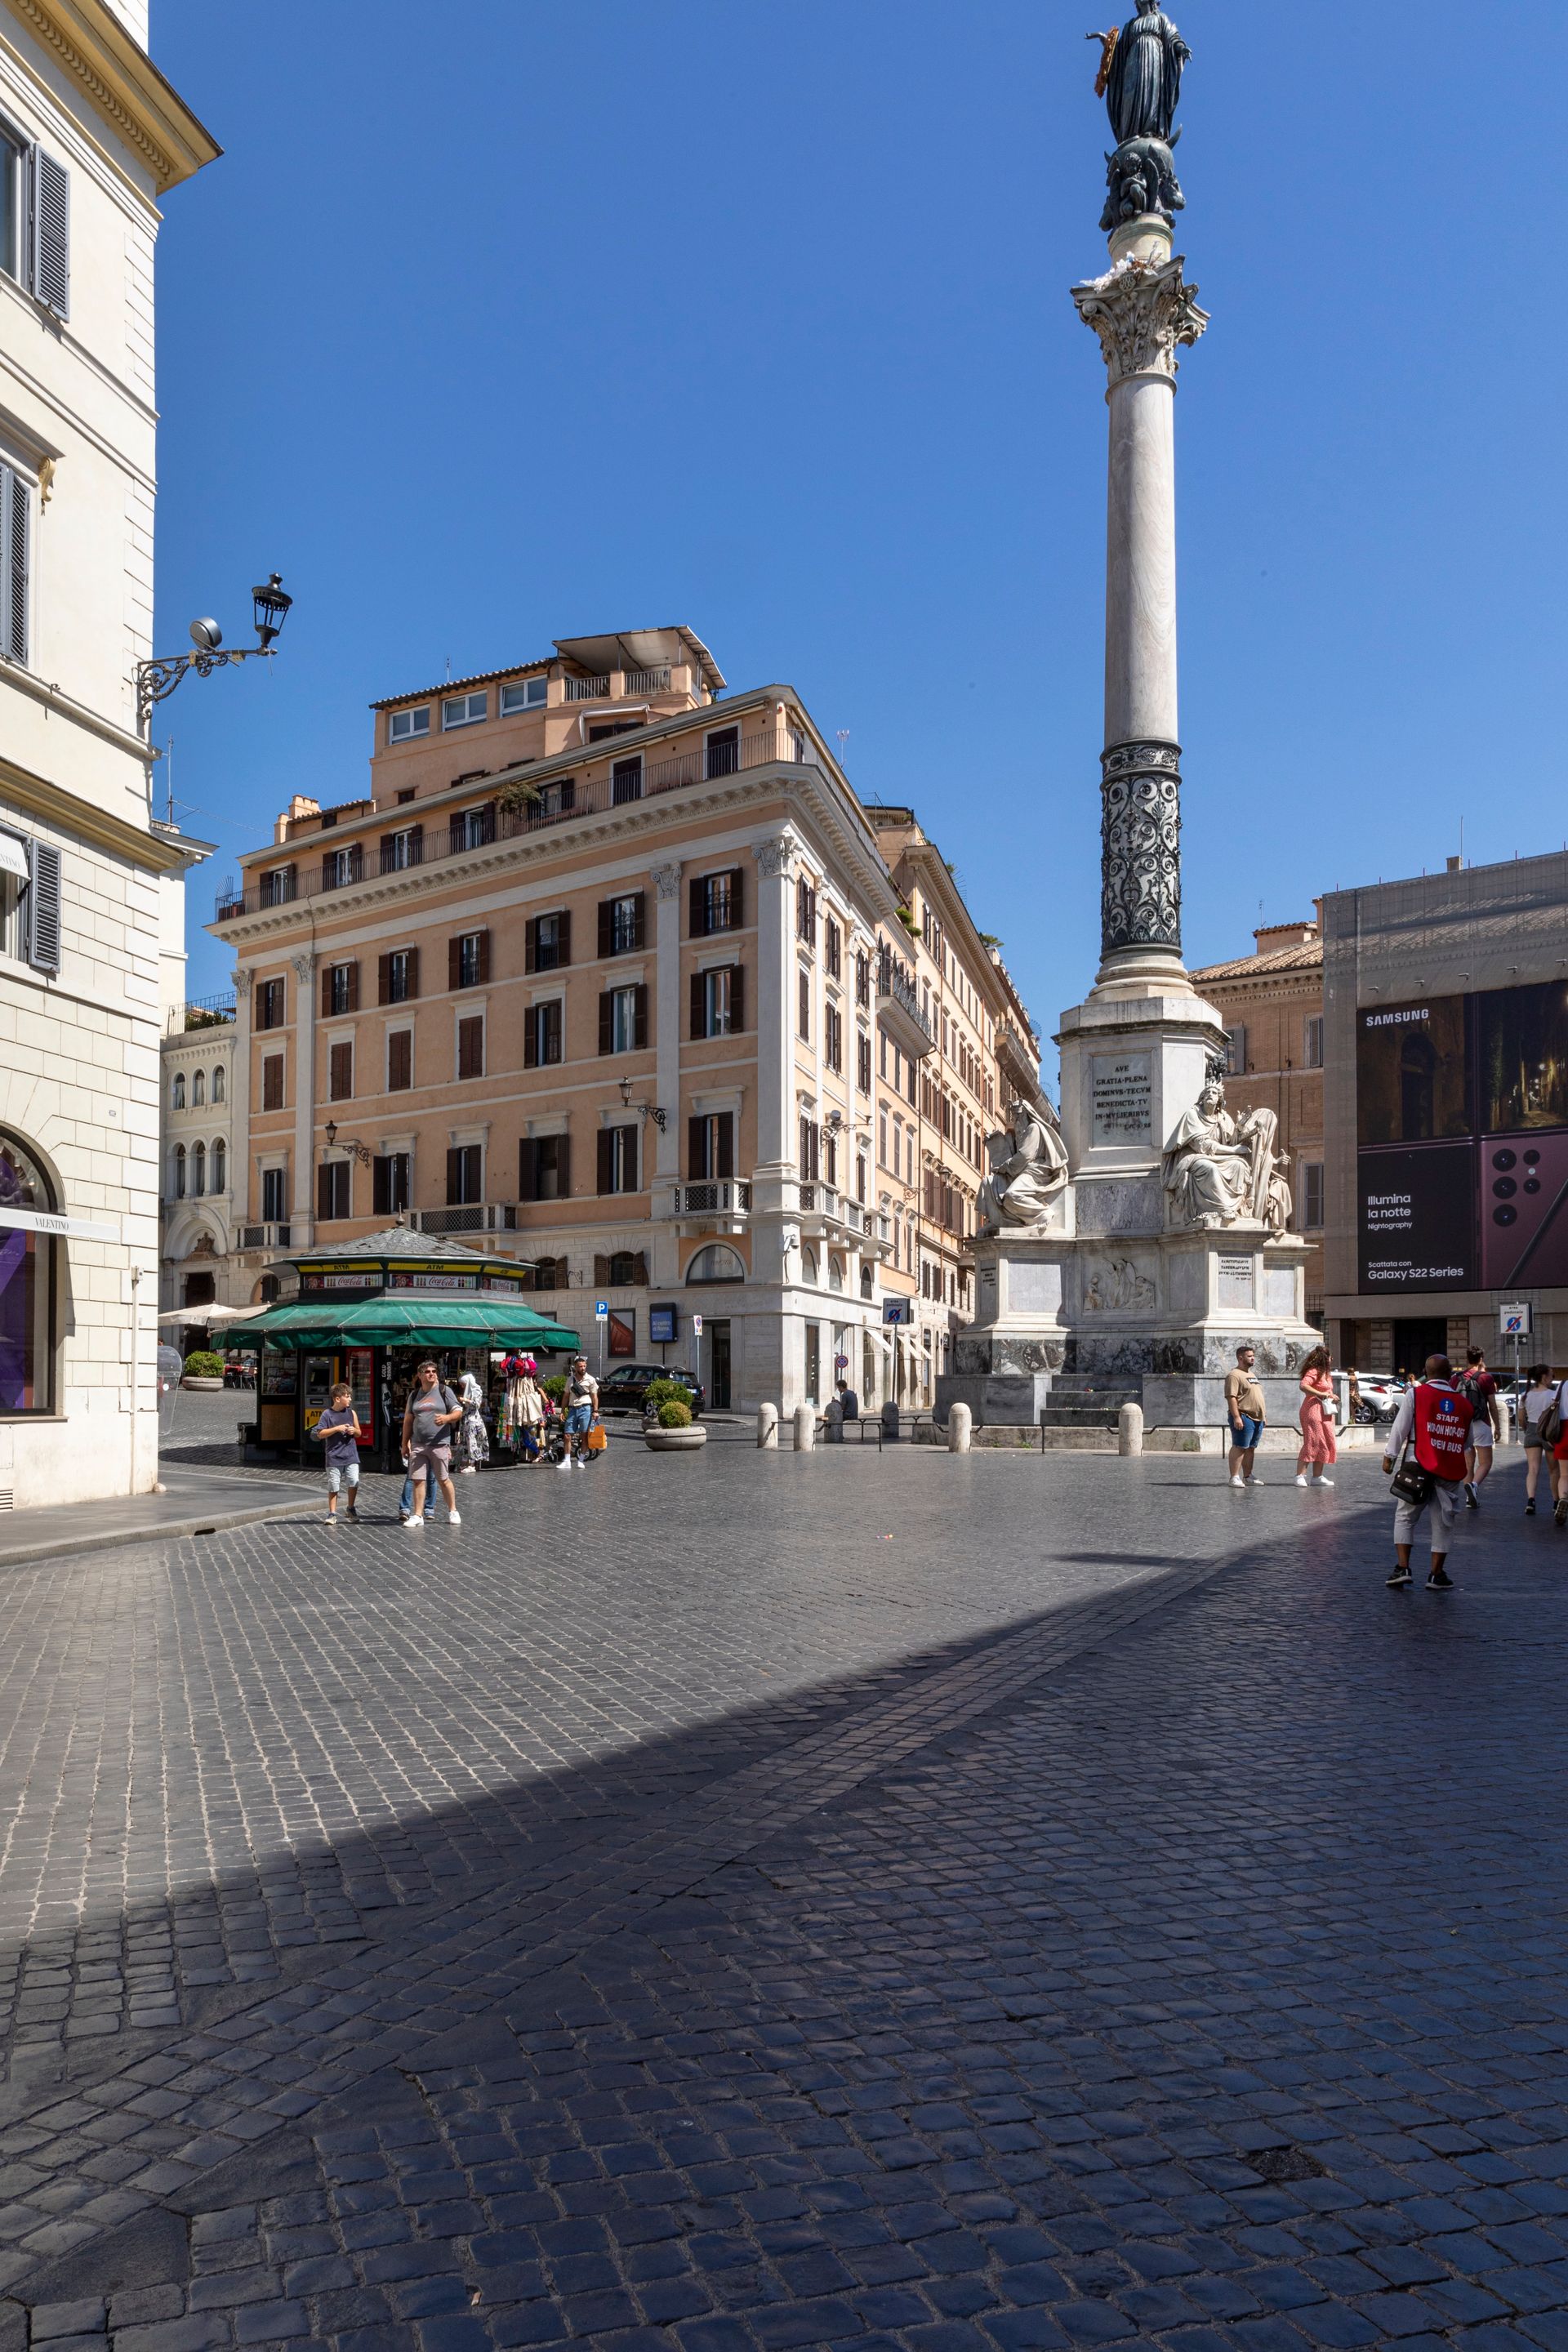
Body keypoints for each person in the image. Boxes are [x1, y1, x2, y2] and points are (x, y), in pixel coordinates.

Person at [1383, 1353, 1473, 1591]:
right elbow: (1466, 1442)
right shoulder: (1464, 1404)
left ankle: (1403, 1568)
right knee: (1444, 1520)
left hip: (1417, 1462)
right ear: (1450, 1375)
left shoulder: (1416, 1394)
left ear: (1426, 1372)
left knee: (1405, 1516)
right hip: (1449, 1466)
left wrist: (1389, 1457)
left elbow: (1399, 1428)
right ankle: (1436, 1574)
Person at [401, 1358, 463, 1527]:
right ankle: (418, 1515)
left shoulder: (444, 1391)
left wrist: (447, 1418)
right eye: (427, 1372)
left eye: (434, 1372)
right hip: (418, 1443)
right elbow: (408, 1420)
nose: (431, 1374)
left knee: (443, 1479)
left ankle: (453, 1511)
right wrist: (404, 1443)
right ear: (420, 1375)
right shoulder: (414, 1395)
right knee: (418, 1480)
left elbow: (458, 1411)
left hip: (439, 1443)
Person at [310, 1381, 362, 1526]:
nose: (350, 1399)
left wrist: (354, 1431)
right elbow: (320, 1434)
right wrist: (336, 1428)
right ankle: (332, 1513)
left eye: (350, 1396)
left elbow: (359, 1432)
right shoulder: (327, 1414)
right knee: (334, 1485)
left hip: (351, 1455)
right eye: (347, 1396)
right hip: (334, 1456)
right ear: (337, 1398)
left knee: (353, 1481)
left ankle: (351, 1508)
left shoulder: (352, 1413)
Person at [1458, 1346, 1501, 1509]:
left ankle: (1470, 1499)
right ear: (1481, 1359)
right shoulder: (1486, 1378)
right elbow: (1493, 1406)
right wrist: (1497, 1427)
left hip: (1463, 1426)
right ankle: (1474, 1486)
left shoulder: (1457, 1378)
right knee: (1486, 1462)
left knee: (1468, 1464)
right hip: (1481, 1423)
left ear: (1467, 1358)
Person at [1519, 1362, 1560, 1517]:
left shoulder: (1526, 1396)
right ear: (1544, 1377)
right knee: (1553, 1470)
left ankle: (1531, 1500)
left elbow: (1521, 1418)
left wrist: (1527, 1430)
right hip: (1549, 1433)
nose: (1552, 1378)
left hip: (1532, 1430)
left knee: (1532, 1470)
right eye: (1551, 1376)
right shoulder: (1553, 1395)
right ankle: (1556, 1502)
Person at [1223, 1343, 1267, 1488]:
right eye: (1249, 1356)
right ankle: (1234, 1477)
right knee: (1240, 1446)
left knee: (1251, 1448)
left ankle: (1248, 1476)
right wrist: (1236, 1417)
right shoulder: (1234, 1375)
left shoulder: (1251, 1374)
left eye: (1253, 1356)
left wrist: (1263, 1417)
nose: (1253, 1358)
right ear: (1240, 1358)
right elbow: (1231, 1397)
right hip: (1244, 1416)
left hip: (1257, 1418)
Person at [1295, 1345, 1337, 1489]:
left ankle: (1317, 1476)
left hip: (1325, 1411)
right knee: (1312, 1441)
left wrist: (1332, 1396)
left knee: (1324, 1441)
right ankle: (1300, 1475)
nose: (1332, 1359)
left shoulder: (1326, 1374)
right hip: (1312, 1409)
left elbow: (1325, 1391)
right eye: (1330, 1357)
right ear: (1325, 1358)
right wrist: (1318, 1394)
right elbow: (1303, 1385)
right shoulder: (1314, 1371)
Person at [563, 1355, 599, 1469]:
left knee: (584, 1436)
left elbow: (595, 1396)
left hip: (586, 1409)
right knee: (567, 1435)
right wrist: (562, 1411)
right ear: (575, 1367)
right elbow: (566, 1396)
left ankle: (581, 1460)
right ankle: (567, 1461)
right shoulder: (570, 1380)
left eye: (584, 1366)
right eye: (580, 1366)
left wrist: (595, 1411)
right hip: (573, 1409)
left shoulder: (591, 1379)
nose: (583, 1368)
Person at [456, 1368, 490, 1474]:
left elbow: (477, 1404)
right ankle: (465, 1462)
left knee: (472, 1442)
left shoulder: (476, 1390)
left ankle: (472, 1464)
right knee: (466, 1442)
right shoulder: (467, 1392)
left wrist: (465, 1400)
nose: (462, 1386)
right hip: (467, 1419)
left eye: (463, 1384)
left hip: (473, 1420)